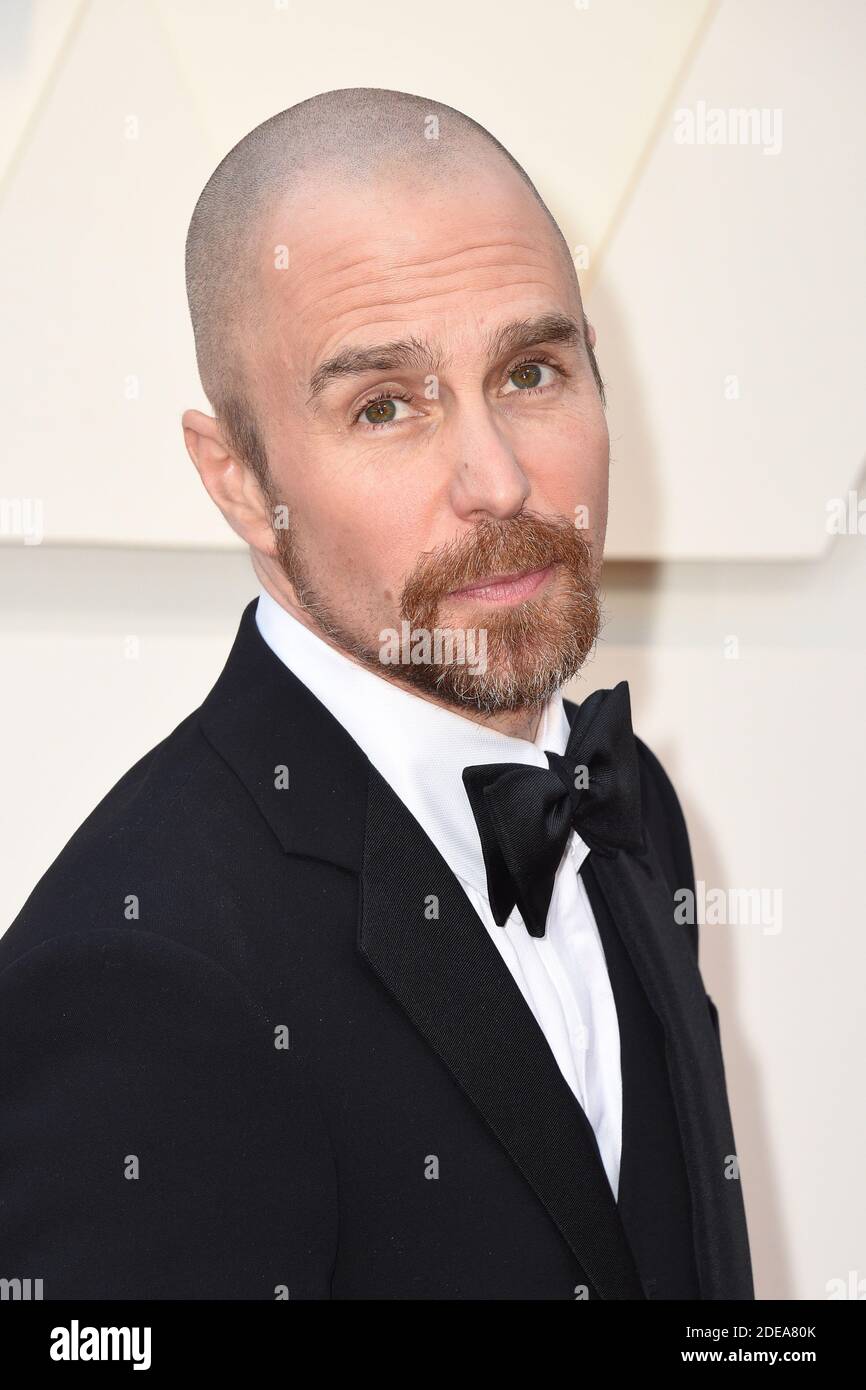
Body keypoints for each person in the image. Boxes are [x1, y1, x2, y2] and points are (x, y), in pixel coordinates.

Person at [0, 87, 753, 1300]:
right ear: (239, 479)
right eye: (384, 407)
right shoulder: (141, 976)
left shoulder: (624, 804)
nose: (499, 480)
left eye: (530, 370)